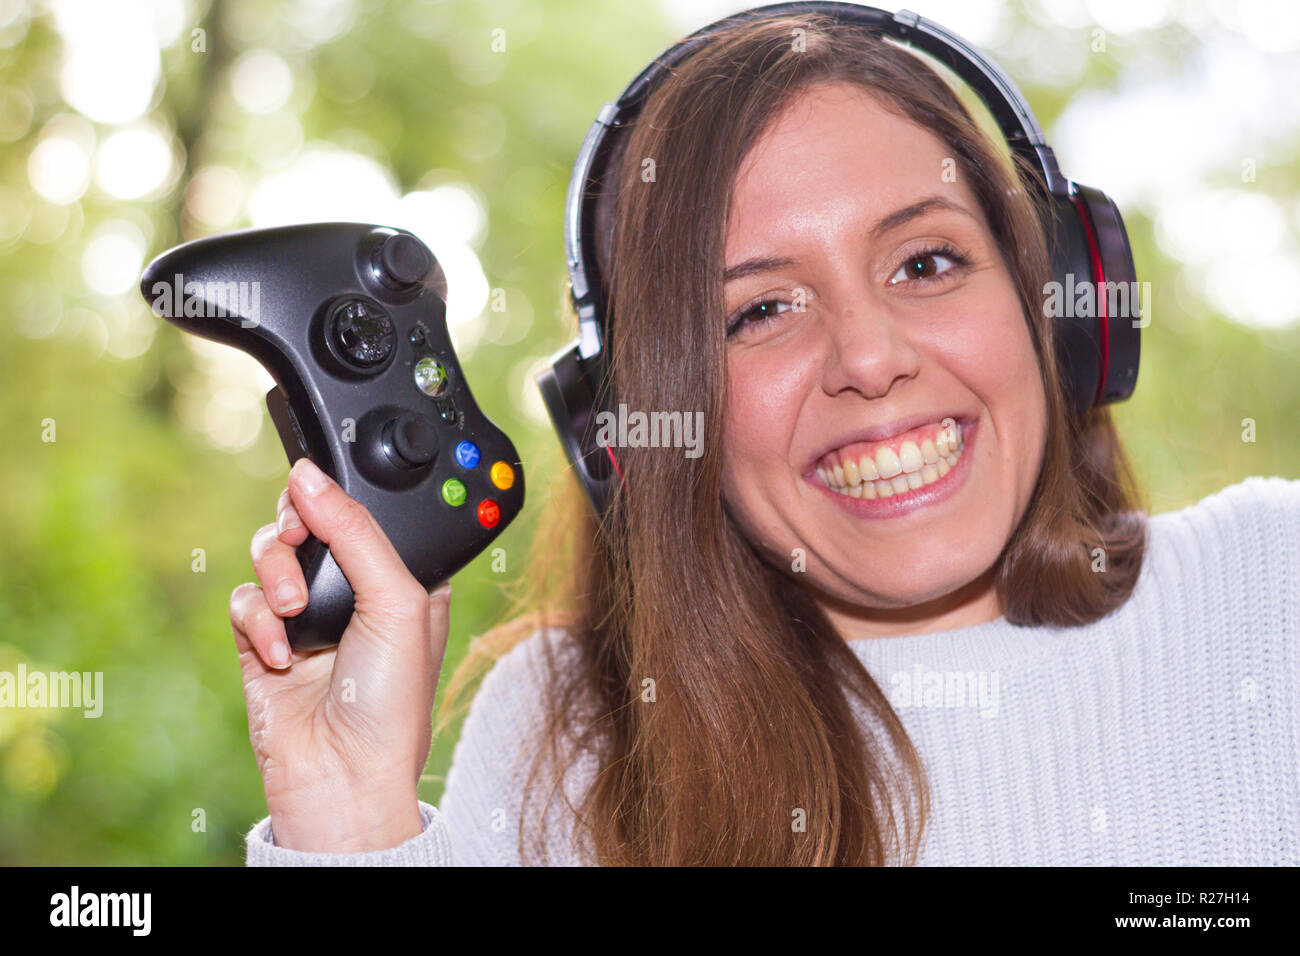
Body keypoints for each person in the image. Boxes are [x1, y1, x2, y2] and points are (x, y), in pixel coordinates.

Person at [233, 12, 1300, 866]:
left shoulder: (1270, 587)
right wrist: (349, 813)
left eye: (924, 262)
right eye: (759, 311)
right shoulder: (568, 734)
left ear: (1060, 304)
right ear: (638, 433)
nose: (869, 357)